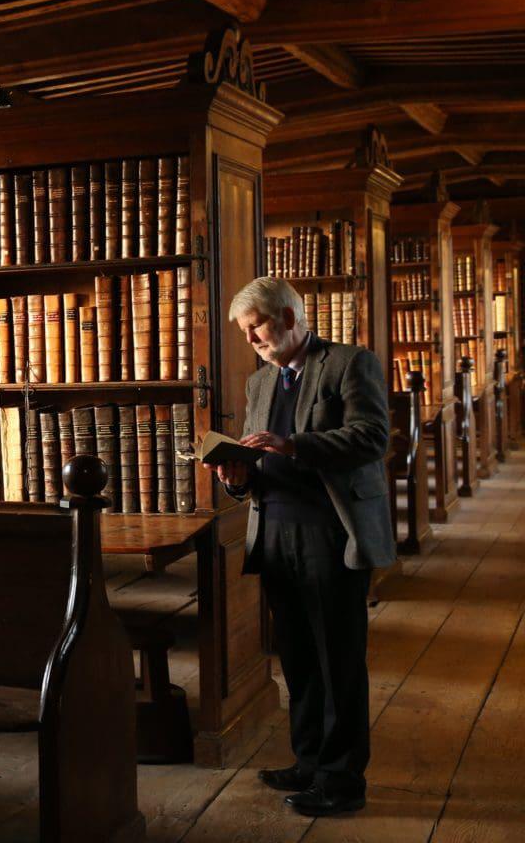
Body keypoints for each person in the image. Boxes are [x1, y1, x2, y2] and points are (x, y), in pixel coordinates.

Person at [206, 277, 394, 817]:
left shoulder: (350, 363)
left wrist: (293, 445)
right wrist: (235, 477)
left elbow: (372, 437)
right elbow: (254, 460)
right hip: (275, 533)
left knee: (337, 659)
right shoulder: (259, 385)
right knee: (297, 657)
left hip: (332, 533)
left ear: (289, 316)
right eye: (245, 331)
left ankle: (342, 781)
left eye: (257, 326)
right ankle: (309, 760)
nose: (252, 340)